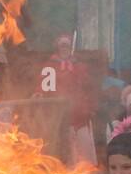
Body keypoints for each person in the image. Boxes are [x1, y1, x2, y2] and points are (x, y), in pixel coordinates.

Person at [37, 33, 97, 166]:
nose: (64, 48)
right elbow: (45, 86)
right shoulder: (50, 66)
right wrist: (39, 93)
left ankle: (84, 169)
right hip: (59, 111)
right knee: (63, 141)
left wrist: (90, 106)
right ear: (57, 47)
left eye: (67, 45)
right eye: (62, 45)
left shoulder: (80, 66)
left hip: (79, 111)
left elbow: (87, 88)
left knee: (82, 143)